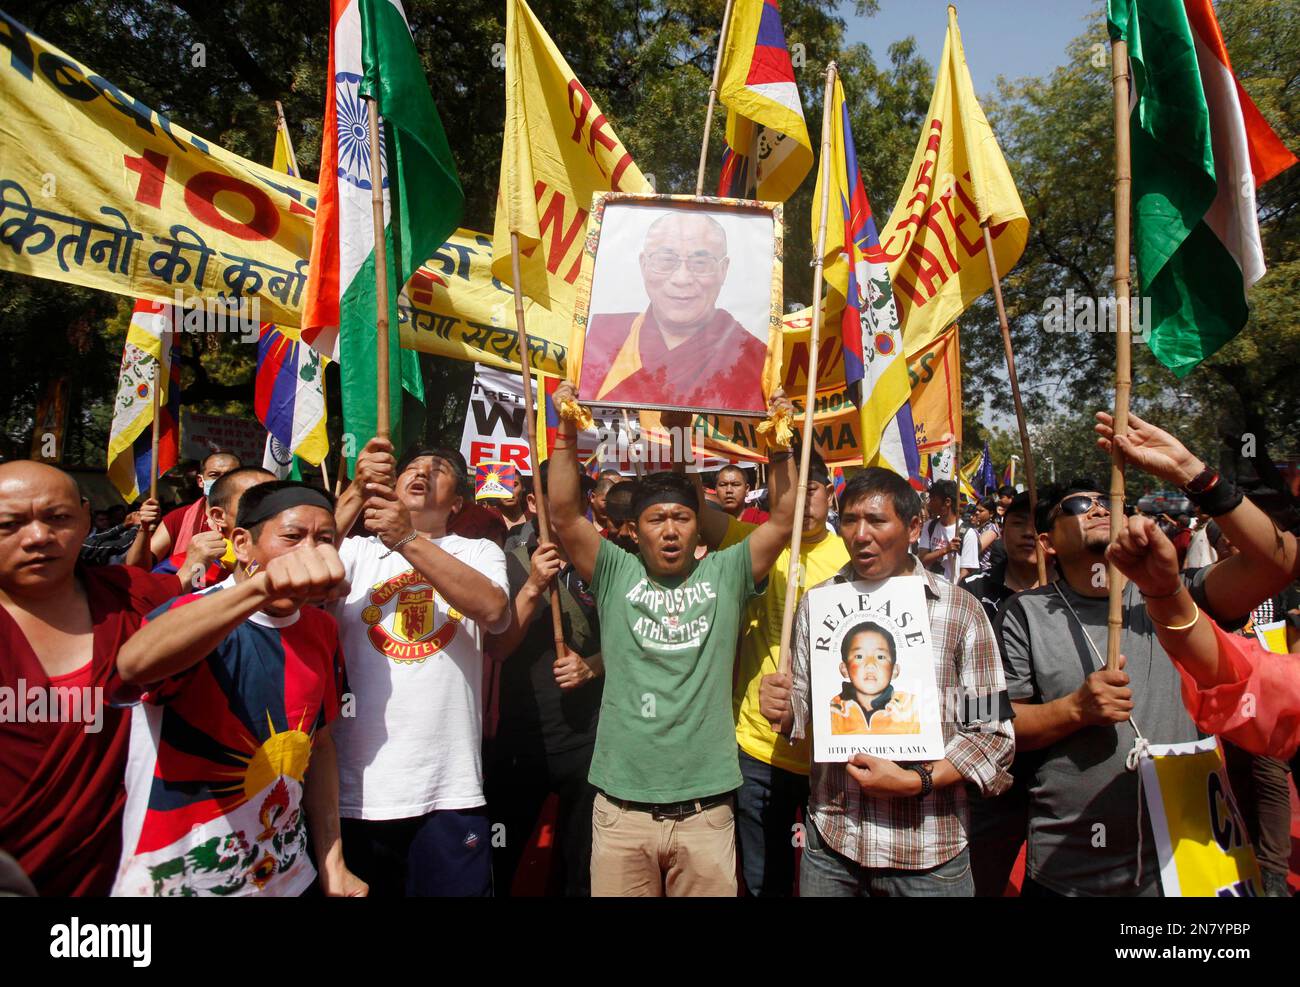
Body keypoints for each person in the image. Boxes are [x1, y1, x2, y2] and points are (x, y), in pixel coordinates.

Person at [545, 381, 797, 897]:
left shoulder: (726, 574)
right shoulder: (614, 572)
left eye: (681, 517)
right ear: (632, 531)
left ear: (698, 528)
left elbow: (785, 519)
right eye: (656, 519)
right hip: (620, 810)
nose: (669, 529)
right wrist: (566, 432)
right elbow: (565, 515)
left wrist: (780, 441)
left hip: (707, 812)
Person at [760, 467, 1014, 897]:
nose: (860, 535)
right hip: (833, 843)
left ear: (914, 526)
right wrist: (787, 710)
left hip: (928, 854)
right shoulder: (817, 604)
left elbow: (992, 735)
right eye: (850, 520)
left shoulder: (958, 612)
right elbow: (805, 706)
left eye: (877, 521)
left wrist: (919, 781)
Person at [111, 481, 364, 896]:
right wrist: (260, 588)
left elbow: (319, 746)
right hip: (180, 882)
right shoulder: (195, 614)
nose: (311, 552)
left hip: (287, 876)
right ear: (242, 544)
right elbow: (133, 665)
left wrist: (332, 862)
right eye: (292, 537)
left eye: (324, 540)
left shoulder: (322, 628)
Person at [329, 439, 510, 896]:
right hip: (360, 787)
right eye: (411, 467)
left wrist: (406, 540)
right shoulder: (355, 553)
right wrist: (355, 491)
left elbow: (491, 609)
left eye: (439, 469)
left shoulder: (479, 553)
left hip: (449, 787)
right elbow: (296, 567)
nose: (421, 473)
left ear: (458, 502)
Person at [0, 461, 182, 896]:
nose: (40, 537)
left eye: (58, 518)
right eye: (10, 524)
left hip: (123, 865)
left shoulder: (134, 596)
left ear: (85, 517)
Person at [714, 450, 847, 896]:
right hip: (756, 747)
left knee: (826, 880)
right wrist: (677, 427)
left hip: (830, 756)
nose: (802, 502)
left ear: (829, 494)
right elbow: (695, 512)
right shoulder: (753, 542)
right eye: (788, 491)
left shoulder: (855, 558)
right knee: (758, 876)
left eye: (810, 490)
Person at [486, 462, 604, 897]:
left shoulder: (607, 562)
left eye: (579, 497)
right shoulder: (502, 561)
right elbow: (498, 647)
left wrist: (592, 665)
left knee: (581, 862)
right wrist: (534, 585)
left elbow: (632, 641)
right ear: (533, 502)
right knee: (502, 852)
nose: (571, 507)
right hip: (522, 739)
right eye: (558, 498)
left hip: (588, 738)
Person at [579, 212, 769, 413]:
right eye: (666, 260)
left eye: (700, 263)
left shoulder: (753, 359)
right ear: (644, 265)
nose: (682, 278)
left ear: (723, 270)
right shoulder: (603, 337)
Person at [957, 490, 1046, 896]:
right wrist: (1008, 722)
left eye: (1039, 524)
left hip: (1058, 771)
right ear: (1002, 530)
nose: (1029, 533)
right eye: (1018, 523)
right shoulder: (971, 593)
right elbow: (960, 687)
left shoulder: (1078, 596)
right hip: (988, 775)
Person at [829, 622, 919, 735]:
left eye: (880, 657)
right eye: (859, 656)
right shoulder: (832, 710)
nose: (870, 664)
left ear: (894, 670)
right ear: (844, 669)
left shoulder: (911, 707)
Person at [149, 451, 241, 561]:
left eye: (230, 475)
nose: (222, 481)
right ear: (200, 481)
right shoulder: (179, 517)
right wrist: (144, 530)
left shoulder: (254, 518)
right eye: (214, 475)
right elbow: (142, 564)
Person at [917, 479, 979, 583]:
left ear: (947, 502)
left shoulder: (967, 533)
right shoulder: (929, 526)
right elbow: (922, 559)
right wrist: (946, 550)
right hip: (928, 586)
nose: (929, 504)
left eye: (933, 499)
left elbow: (966, 572)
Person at [971, 497, 1001, 573]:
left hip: (983, 571)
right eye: (976, 510)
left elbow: (975, 549)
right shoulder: (977, 526)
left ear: (991, 513)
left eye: (981, 511)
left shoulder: (992, 528)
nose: (977, 512)